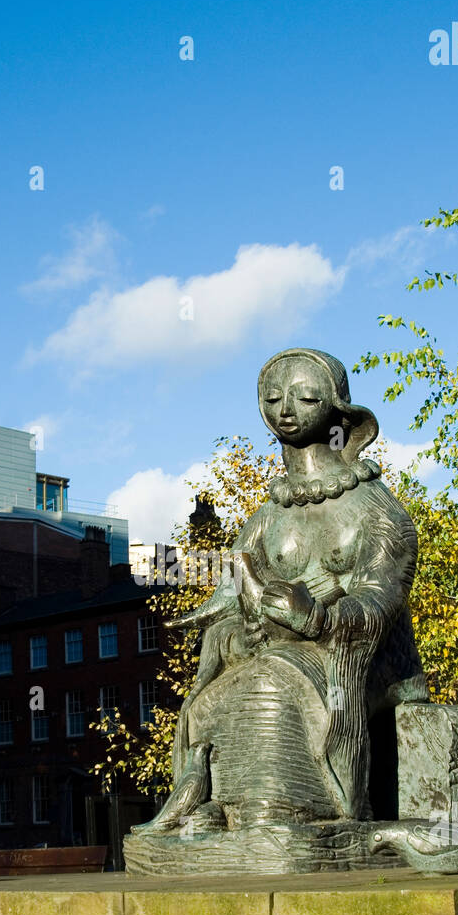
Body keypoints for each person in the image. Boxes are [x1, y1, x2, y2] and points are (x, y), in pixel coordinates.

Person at [149, 347, 428, 833]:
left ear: (339, 410)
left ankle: (302, 812)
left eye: (304, 397)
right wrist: (243, 627)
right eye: (274, 399)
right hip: (280, 650)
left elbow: (381, 601)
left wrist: (317, 619)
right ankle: (222, 808)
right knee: (211, 693)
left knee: (274, 679)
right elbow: (230, 599)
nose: (286, 410)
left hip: (365, 661)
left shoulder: (376, 508)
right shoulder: (267, 518)